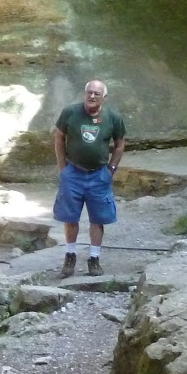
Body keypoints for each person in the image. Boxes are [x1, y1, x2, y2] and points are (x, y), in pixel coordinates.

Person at [51, 79, 126, 277]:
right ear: (85, 94)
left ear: (104, 97)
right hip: (73, 173)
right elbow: (59, 137)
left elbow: (119, 145)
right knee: (70, 217)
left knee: (98, 219)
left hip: (99, 174)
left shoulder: (113, 117)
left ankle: (94, 258)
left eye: (97, 94)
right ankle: (70, 256)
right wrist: (62, 167)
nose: (92, 96)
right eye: (89, 92)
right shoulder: (70, 113)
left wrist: (111, 169)